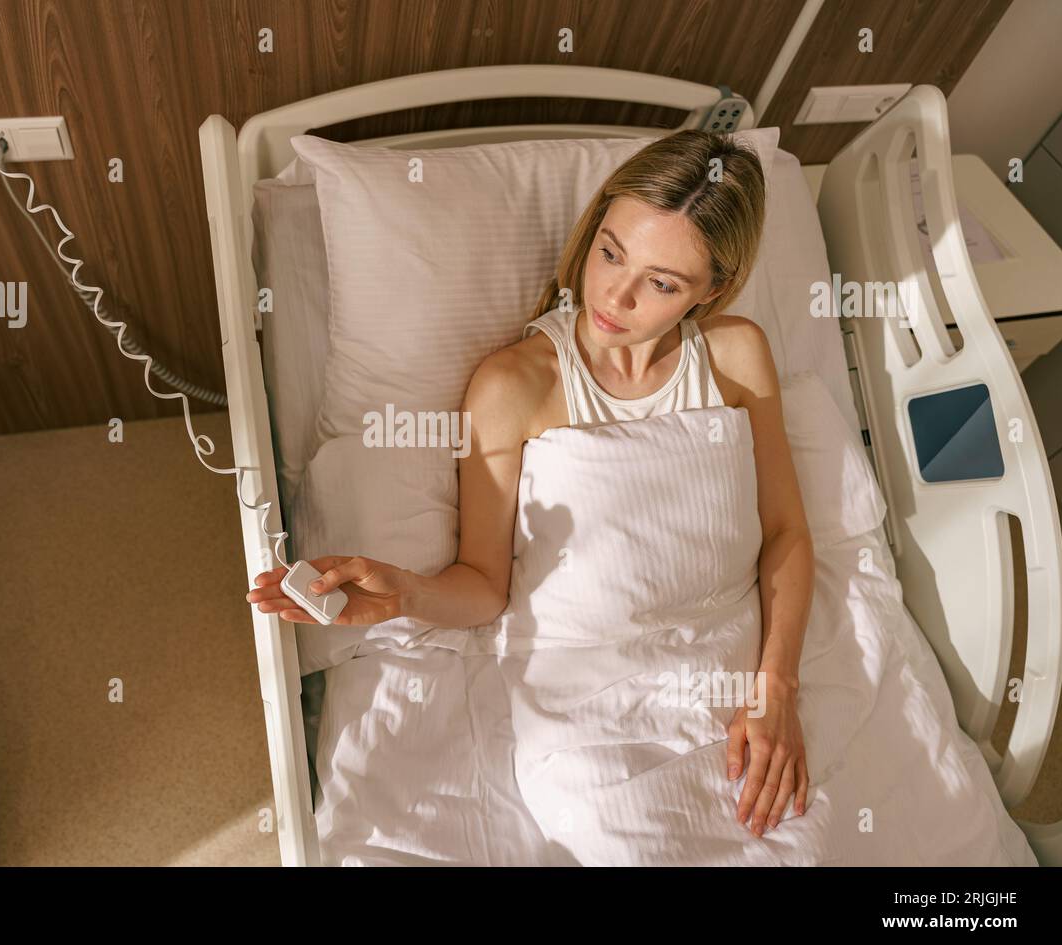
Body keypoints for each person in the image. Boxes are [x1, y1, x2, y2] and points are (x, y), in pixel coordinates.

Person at [246, 129, 815, 838]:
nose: (615, 294)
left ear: (715, 289)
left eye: (662, 284)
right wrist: (403, 595)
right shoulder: (515, 385)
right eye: (611, 251)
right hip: (595, 715)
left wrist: (775, 690)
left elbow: (787, 532)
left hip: (739, 691)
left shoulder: (736, 356)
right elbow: (485, 583)